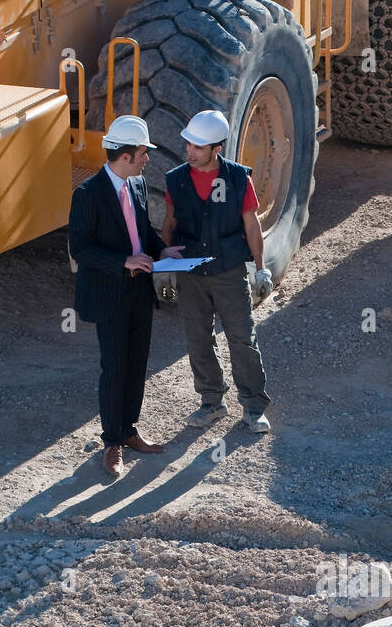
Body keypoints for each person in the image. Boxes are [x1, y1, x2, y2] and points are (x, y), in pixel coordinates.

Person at [68, 115, 185, 477]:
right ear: (126, 155)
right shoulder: (88, 195)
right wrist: (124, 261)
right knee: (115, 367)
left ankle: (130, 431)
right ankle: (111, 443)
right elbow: (80, 248)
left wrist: (161, 251)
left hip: (138, 291)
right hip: (110, 294)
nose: (147, 158)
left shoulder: (135, 186)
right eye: (142, 153)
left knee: (136, 365)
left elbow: (142, 234)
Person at [161, 109, 274, 433]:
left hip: (228, 271)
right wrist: (165, 267)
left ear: (217, 148)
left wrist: (261, 269)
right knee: (198, 339)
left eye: (198, 147)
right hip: (191, 274)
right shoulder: (176, 180)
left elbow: (251, 226)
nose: (190, 151)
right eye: (188, 145)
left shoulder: (239, 179)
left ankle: (253, 407)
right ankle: (211, 402)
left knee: (242, 339)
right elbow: (170, 222)